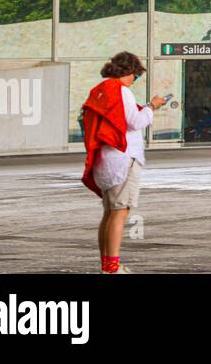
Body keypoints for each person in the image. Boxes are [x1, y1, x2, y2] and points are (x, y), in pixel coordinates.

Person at [81, 51, 167, 274]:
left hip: (105, 160)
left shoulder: (101, 90)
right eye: (135, 76)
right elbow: (134, 122)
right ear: (128, 71)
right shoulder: (121, 91)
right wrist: (152, 106)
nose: (134, 80)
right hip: (123, 159)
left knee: (109, 213)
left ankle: (108, 264)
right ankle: (111, 269)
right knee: (120, 213)